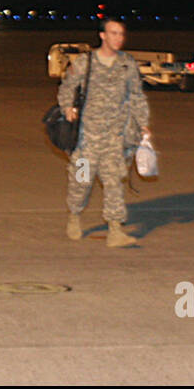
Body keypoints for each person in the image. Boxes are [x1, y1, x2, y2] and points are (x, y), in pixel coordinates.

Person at [58, 18, 150, 248]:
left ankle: (115, 229)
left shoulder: (127, 64)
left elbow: (137, 95)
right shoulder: (84, 62)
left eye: (121, 34)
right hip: (86, 137)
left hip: (115, 136)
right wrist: (67, 106)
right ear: (102, 36)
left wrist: (143, 122)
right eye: (114, 33)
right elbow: (67, 87)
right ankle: (74, 216)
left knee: (114, 181)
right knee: (81, 181)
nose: (118, 38)